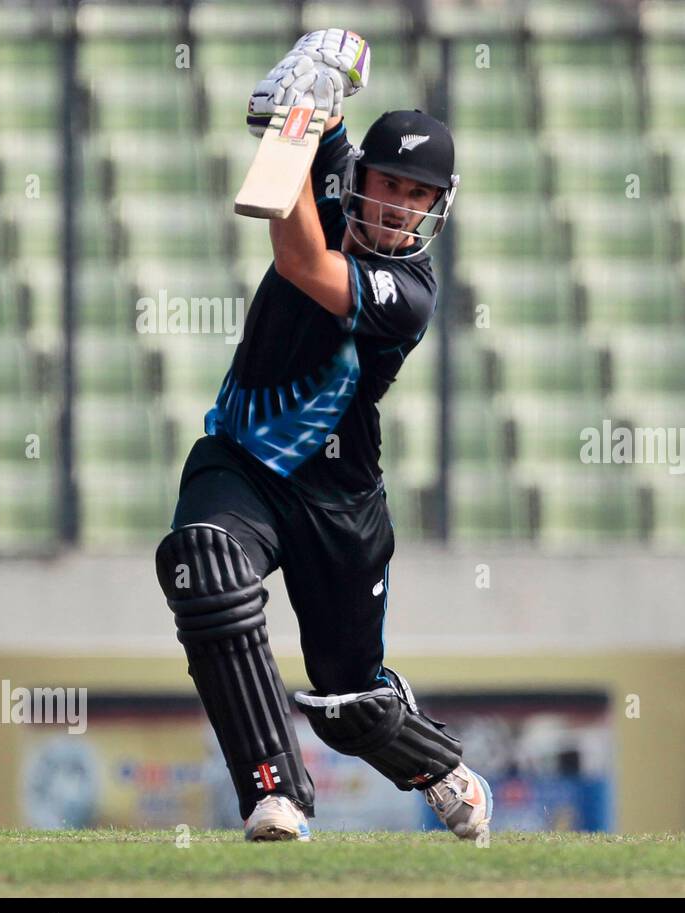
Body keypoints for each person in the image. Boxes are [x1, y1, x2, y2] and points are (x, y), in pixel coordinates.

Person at [154, 29, 492, 842]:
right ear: (361, 177)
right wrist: (321, 71)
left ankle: (440, 765)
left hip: (340, 504)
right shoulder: (337, 179)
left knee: (347, 704)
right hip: (242, 459)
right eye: (386, 183)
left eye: (418, 195)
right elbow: (311, 107)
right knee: (202, 564)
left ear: (436, 207)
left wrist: (289, 128)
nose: (397, 206)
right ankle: (275, 793)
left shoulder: (407, 290)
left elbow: (303, 258)